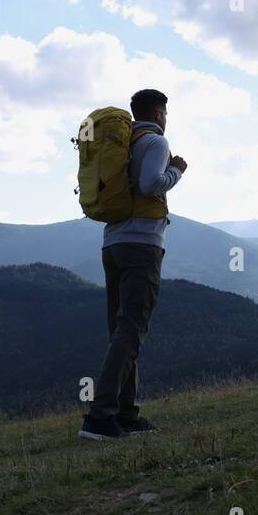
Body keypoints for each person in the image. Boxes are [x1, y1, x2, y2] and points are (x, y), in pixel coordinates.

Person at [78, 89, 188, 441]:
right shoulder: (156, 143)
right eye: (165, 114)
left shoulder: (122, 144)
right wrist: (176, 171)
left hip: (113, 244)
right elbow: (149, 184)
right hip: (142, 245)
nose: (166, 120)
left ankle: (125, 414)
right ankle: (100, 416)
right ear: (158, 114)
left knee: (121, 332)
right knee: (131, 331)